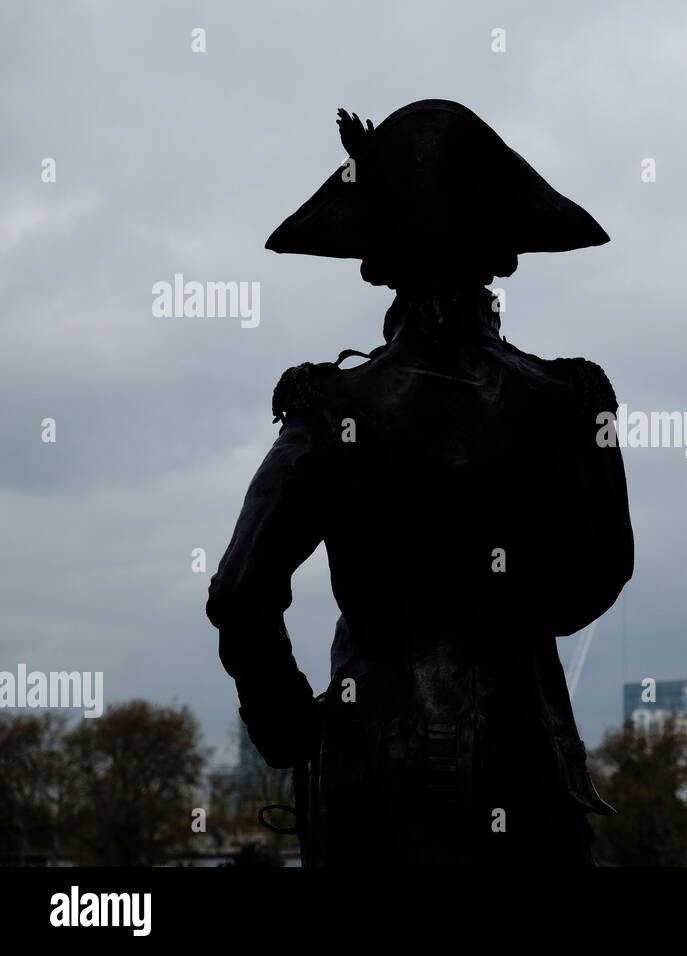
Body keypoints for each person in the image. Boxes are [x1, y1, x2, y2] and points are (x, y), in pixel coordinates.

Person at [206, 100, 633, 865]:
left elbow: (241, 592)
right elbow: (595, 579)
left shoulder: (330, 407)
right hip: (525, 761)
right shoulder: (572, 400)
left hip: (372, 775)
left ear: (378, 259)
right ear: (503, 254)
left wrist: (288, 729)